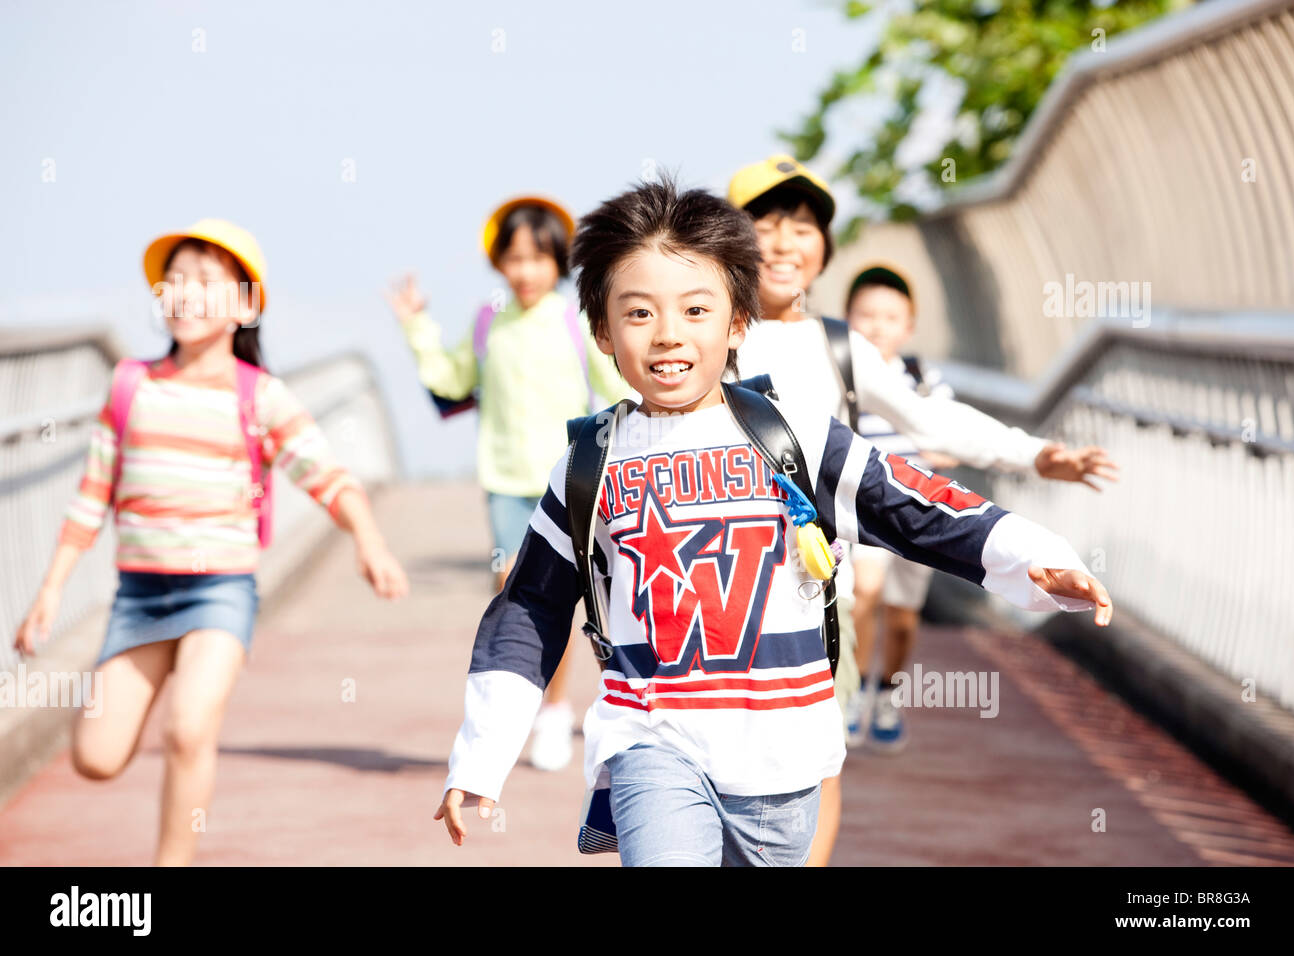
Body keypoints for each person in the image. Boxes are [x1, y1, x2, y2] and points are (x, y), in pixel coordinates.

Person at [434, 177, 1113, 866]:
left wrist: (1031, 555)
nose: (668, 334)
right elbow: (529, 608)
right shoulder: (588, 464)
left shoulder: (792, 439)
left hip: (781, 751)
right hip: (651, 738)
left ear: (736, 323)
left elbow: (911, 506)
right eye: (638, 314)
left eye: (696, 310)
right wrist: (481, 755)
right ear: (603, 330)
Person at [726, 154, 1119, 865]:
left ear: (825, 249)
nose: (785, 243)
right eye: (766, 224)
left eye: (805, 227)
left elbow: (931, 422)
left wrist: (1033, 455)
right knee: (725, 768)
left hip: (818, 592)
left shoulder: (839, 346)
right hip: (718, 594)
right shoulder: (702, 335)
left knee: (819, 760)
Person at [12, 220, 408, 866]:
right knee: (95, 758)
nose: (186, 293)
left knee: (189, 729)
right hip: (140, 597)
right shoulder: (130, 385)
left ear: (246, 305)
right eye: (176, 280)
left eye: (206, 280)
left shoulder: (260, 397)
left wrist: (370, 543)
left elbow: (331, 478)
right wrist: (51, 590)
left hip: (219, 591)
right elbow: (92, 495)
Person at [387, 197, 632, 772]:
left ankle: (553, 713)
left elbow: (614, 381)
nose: (525, 271)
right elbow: (451, 379)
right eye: (514, 258)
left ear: (558, 261)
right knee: (514, 589)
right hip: (503, 481)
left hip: (569, 480)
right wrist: (416, 326)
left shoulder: (576, 320)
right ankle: (530, 708)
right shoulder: (486, 321)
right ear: (499, 263)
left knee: (563, 596)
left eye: (538, 258)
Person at [842, 263, 960, 750]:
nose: (877, 325)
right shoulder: (841, 373)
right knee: (864, 593)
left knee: (904, 616)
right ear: (845, 318)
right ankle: (849, 693)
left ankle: (885, 693)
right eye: (866, 314)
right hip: (864, 508)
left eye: (890, 317)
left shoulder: (922, 378)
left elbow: (951, 442)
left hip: (918, 512)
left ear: (908, 326)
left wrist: (938, 450)